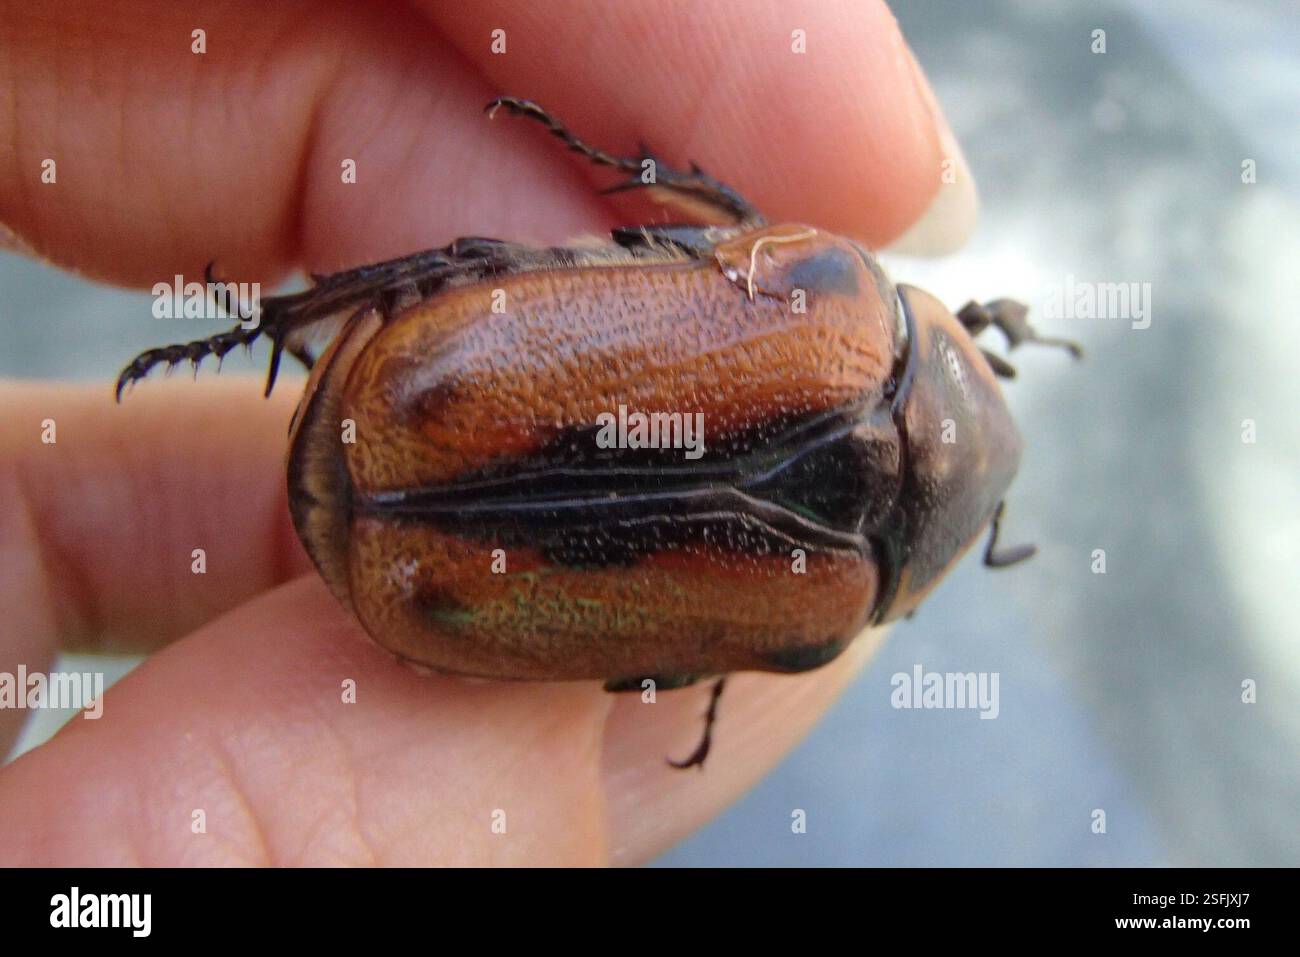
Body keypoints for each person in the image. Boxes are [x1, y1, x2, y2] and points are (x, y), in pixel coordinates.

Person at [0, 0, 975, 865]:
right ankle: (272, 330)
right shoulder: (820, 616)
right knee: (474, 265)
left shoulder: (838, 300)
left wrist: (616, 171)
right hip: (434, 580)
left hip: (431, 392)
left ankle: (265, 328)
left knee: (476, 262)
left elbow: (709, 218)